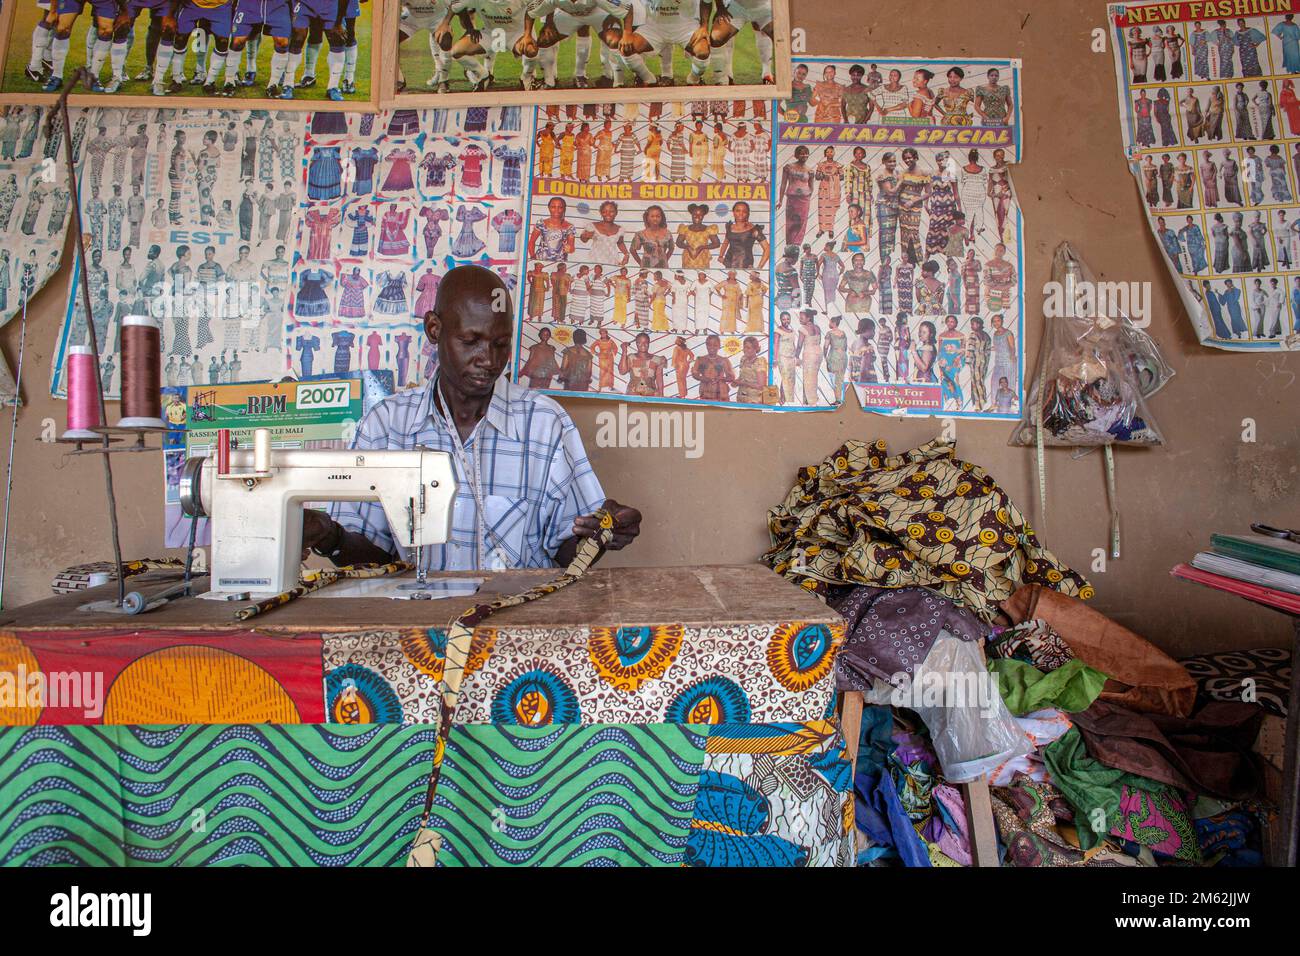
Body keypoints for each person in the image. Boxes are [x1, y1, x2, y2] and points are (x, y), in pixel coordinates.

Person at [303, 266, 640, 570]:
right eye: (470, 341)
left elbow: (569, 550)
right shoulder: (387, 426)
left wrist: (603, 533)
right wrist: (328, 536)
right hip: (416, 623)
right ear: (434, 328)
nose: (488, 360)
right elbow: (370, 555)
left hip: (517, 624)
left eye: (501, 344)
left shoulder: (545, 423)